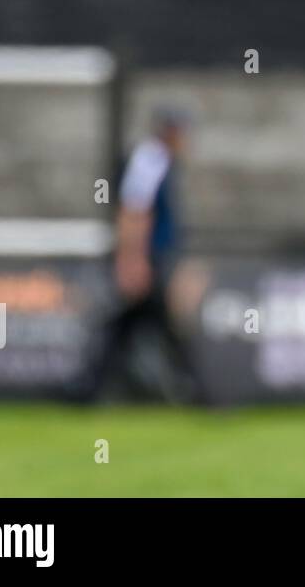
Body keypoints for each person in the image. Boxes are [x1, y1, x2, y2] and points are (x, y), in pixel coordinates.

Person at [91, 106, 202, 404]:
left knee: (127, 326)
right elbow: (133, 213)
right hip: (149, 260)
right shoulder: (149, 160)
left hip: (154, 258)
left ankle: (86, 390)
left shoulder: (160, 161)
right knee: (166, 326)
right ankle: (198, 392)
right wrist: (132, 261)